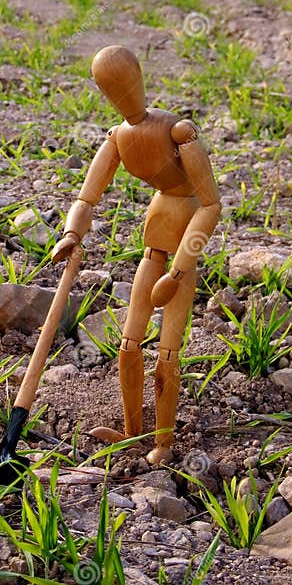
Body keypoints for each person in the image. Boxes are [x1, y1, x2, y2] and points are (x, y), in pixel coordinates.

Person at [52, 46, 221, 464]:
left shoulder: (178, 133)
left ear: (140, 80)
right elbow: (88, 195)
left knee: (167, 350)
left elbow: (212, 206)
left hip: (180, 252)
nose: (122, 98)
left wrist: (180, 270)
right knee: (129, 342)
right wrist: (72, 231)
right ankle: (131, 432)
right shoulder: (118, 138)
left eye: (125, 85)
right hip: (153, 249)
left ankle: (163, 443)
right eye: (111, 91)